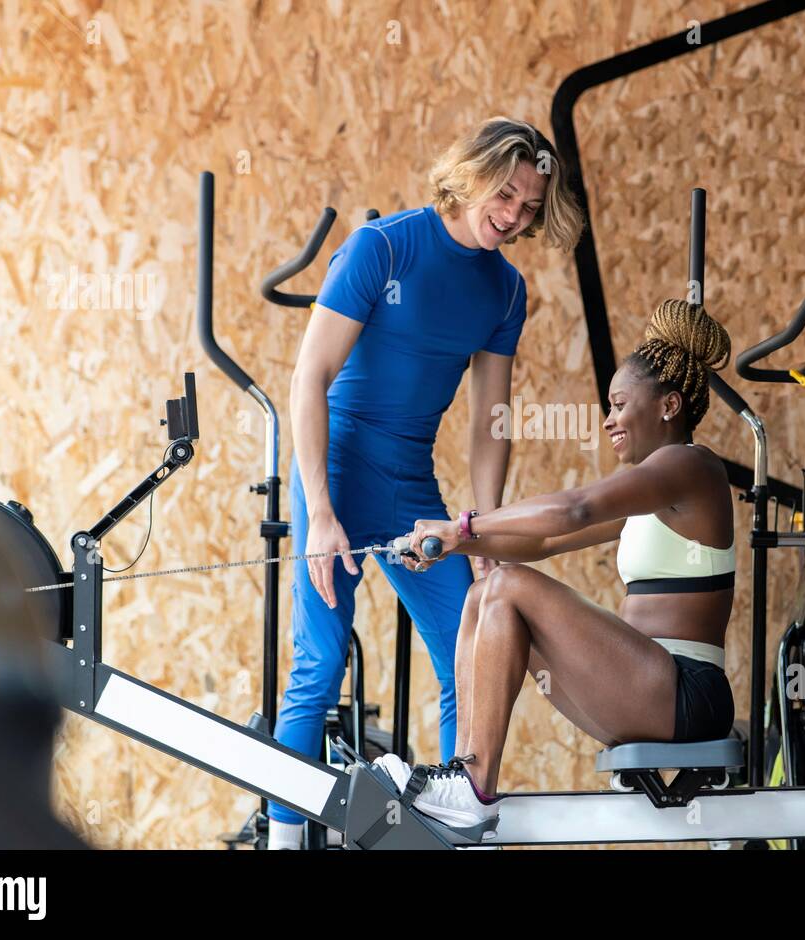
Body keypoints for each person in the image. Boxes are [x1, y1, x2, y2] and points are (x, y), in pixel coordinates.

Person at [268, 117, 583, 849]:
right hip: (338, 472)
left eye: (531, 206)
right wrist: (319, 512)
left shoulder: (506, 292)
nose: (514, 215)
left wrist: (485, 533)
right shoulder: (383, 247)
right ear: (470, 175)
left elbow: (488, 423)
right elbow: (309, 378)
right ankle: (283, 842)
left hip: (410, 487)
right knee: (320, 661)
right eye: (505, 194)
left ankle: (450, 829)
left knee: (466, 655)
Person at [382, 300, 737, 837]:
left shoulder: (689, 466)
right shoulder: (658, 491)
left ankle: (473, 789)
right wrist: (453, 546)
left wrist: (464, 526)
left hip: (687, 692)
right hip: (648, 688)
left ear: (668, 405)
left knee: (504, 587)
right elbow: (549, 538)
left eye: (619, 404)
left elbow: (575, 509)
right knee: (484, 593)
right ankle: (462, 781)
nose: (609, 419)